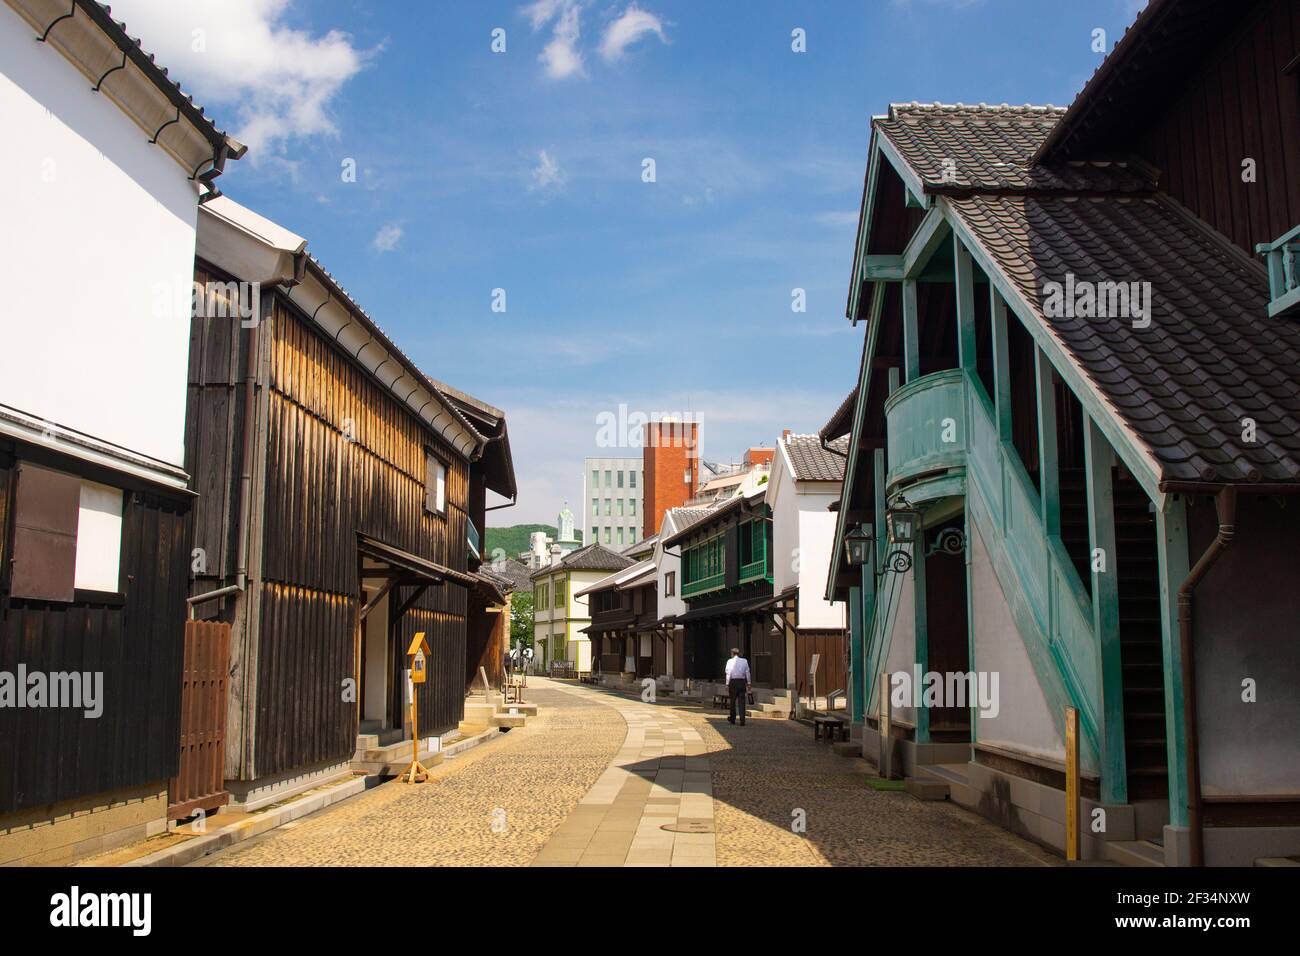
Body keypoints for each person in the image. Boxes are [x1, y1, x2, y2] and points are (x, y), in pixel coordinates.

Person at [724, 647, 751, 726]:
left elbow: (728, 673)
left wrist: (727, 684)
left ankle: (733, 718)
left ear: (732, 653)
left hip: (733, 682)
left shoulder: (729, 661)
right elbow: (747, 672)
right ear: (738, 654)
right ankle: (742, 720)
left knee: (732, 701)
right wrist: (749, 683)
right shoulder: (744, 661)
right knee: (742, 702)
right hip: (742, 682)